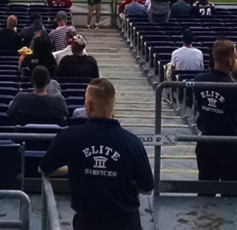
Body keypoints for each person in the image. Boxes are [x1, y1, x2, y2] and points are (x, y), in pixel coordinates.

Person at [39, 79, 154, 230]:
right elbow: (147, 188)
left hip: (87, 223)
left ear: (88, 105)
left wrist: (74, 168)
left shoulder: (70, 136)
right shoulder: (133, 143)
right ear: (113, 106)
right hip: (126, 223)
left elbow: (44, 168)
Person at [192, 38, 237, 192]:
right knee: (233, 196)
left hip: (207, 142)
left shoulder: (199, 80)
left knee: (206, 191)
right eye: (235, 57)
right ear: (230, 61)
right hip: (232, 146)